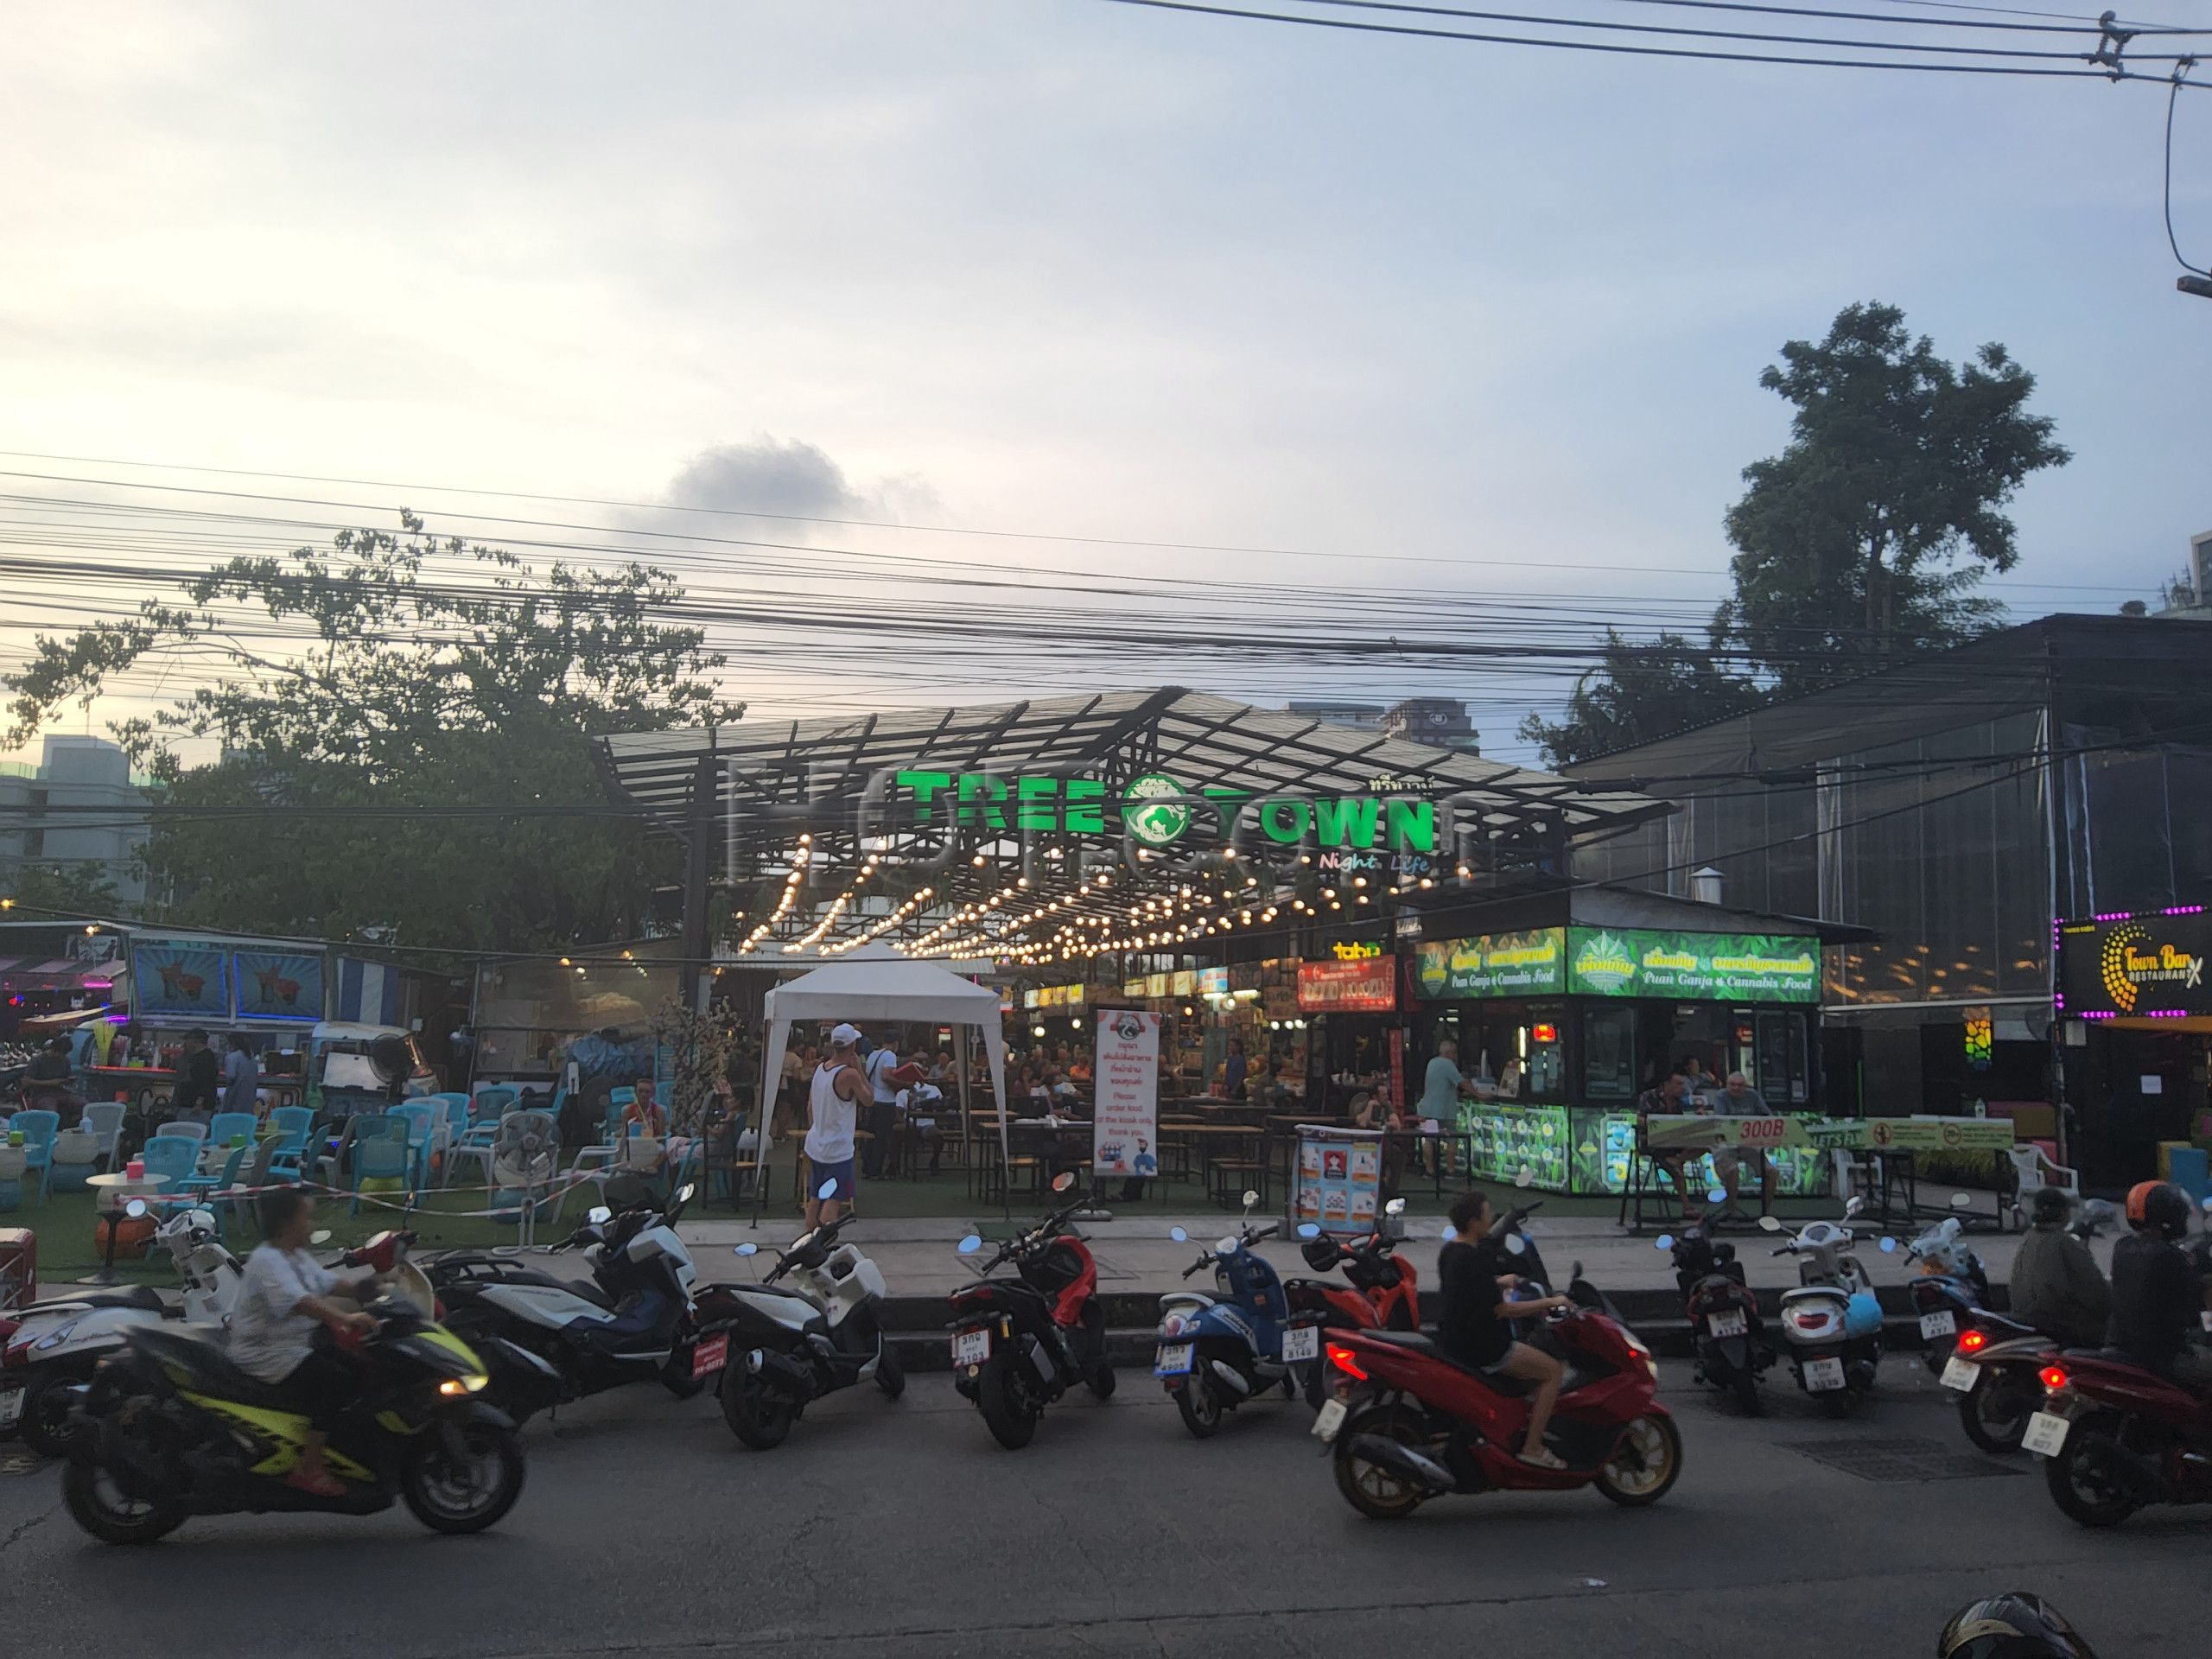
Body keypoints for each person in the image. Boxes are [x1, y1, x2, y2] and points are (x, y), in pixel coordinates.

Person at [229, 1187, 377, 1497]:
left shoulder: (295, 1256)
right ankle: (308, 1468)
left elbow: (330, 1283)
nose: (311, 1224)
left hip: (295, 1344)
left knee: (363, 1365)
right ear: (286, 1224)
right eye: (306, 1218)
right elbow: (300, 1302)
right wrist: (346, 1318)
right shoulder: (267, 1260)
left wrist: (379, 1288)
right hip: (266, 1352)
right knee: (334, 1381)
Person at [1436, 1187, 1571, 1468]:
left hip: (1456, 1340)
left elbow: (1465, 1290)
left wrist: (1499, 1281)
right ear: (1474, 1222)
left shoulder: (1451, 1251)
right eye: (1486, 1214)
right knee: (1552, 1372)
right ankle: (1533, 1448)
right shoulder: (1473, 1259)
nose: (1490, 1218)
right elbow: (1504, 1310)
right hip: (1485, 1347)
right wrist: (1550, 1301)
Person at [2106, 1180, 2212, 1389]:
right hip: (2161, 1358)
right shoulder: (2170, 1257)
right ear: (2170, 1215)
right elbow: (2195, 1310)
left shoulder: (2122, 1247)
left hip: (2120, 1348)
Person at [2009, 1188, 2111, 1347]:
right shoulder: (2065, 1243)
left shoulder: (2027, 1240)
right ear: (2063, 1214)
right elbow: (2097, 1293)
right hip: (2061, 1327)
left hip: (2027, 1321)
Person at [804, 1025, 868, 1230]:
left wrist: (818, 1129)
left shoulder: (820, 1070)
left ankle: (807, 1240)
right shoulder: (849, 1074)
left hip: (817, 1143)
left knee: (815, 1197)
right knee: (833, 1199)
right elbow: (869, 1099)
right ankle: (821, 1242)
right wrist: (859, 1070)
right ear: (853, 1046)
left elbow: (810, 1108)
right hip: (838, 1148)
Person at [1708, 1071, 1777, 1219]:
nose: (1735, 1088)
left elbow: (1767, 1116)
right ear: (1727, 1085)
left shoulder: (1753, 1095)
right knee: (1733, 1171)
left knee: (1771, 1172)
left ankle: (1765, 1213)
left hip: (1749, 1143)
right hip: (1726, 1143)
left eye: (1740, 1085)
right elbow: (1721, 1121)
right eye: (1732, 1085)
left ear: (1745, 1086)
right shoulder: (1722, 1095)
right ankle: (1730, 1211)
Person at [1635, 1070, 1700, 1217]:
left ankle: (1678, 1159)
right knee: (1678, 1172)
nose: (1682, 1087)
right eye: (1678, 1084)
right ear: (1667, 1084)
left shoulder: (1680, 1101)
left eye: (1683, 1084)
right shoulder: (1649, 1096)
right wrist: (1659, 1126)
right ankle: (1687, 1208)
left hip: (1675, 1141)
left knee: (1706, 1144)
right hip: (1654, 1143)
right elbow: (1639, 1119)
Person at [860, 1031, 902, 1179]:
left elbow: (866, 1074)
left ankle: (867, 1167)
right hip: (886, 1100)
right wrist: (903, 1084)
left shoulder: (873, 1054)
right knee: (882, 1137)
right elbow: (886, 1076)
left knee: (871, 1135)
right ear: (896, 1043)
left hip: (873, 1098)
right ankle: (876, 1170)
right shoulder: (890, 1056)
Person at [168, 1028, 222, 1122]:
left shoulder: (205, 1058)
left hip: (195, 1107)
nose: (185, 1043)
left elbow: (206, 1082)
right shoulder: (201, 1056)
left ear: (195, 1041)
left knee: (188, 1133)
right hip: (191, 1105)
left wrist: (199, 1102)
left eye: (187, 1040)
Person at [221, 1033, 259, 1117]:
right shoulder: (252, 1058)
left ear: (232, 1044)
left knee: (231, 1119)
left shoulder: (232, 1057)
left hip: (235, 1094)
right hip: (249, 1096)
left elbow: (230, 1076)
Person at [1223, 1038, 1249, 1102]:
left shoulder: (1241, 1060)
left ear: (1238, 1047)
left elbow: (1241, 1076)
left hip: (1238, 1089)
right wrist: (1225, 1085)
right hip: (1229, 1087)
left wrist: (1235, 1089)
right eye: (1229, 1045)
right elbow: (1227, 1073)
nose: (1230, 1047)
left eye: (1232, 1045)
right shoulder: (1230, 1059)